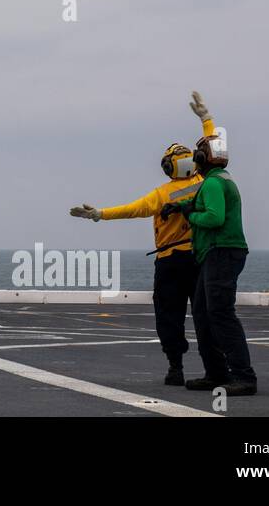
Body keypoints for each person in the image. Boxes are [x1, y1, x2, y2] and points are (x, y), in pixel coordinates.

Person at [69, 92, 216, 385]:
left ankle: (175, 366)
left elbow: (132, 210)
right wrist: (205, 119)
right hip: (201, 258)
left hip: (170, 261)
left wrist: (98, 214)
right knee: (205, 315)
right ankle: (214, 368)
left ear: (168, 167)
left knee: (168, 315)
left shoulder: (162, 194)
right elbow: (211, 147)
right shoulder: (204, 182)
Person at [166, 127, 258, 396]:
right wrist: (186, 207)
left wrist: (189, 217)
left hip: (222, 252)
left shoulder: (214, 183)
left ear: (202, 159)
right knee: (204, 313)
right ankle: (216, 373)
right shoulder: (221, 179)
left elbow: (214, 218)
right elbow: (207, 208)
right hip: (216, 253)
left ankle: (243, 376)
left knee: (221, 314)